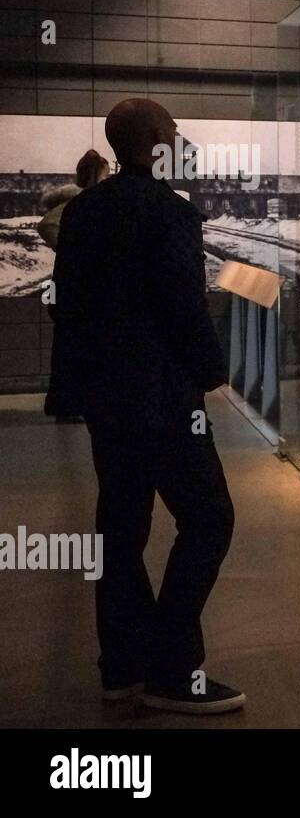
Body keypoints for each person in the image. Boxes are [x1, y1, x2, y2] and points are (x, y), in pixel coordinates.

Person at [45, 98, 244, 715]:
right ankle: (172, 665)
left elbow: (66, 306)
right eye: (175, 133)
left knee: (122, 529)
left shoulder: (84, 212)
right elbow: (185, 312)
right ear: (153, 141)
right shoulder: (170, 215)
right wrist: (214, 374)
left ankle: (123, 665)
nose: (181, 142)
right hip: (162, 400)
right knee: (209, 519)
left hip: (108, 400)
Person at [36, 149, 110, 250]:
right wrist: (70, 251)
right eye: (104, 176)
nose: (106, 180)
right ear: (93, 176)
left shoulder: (92, 199)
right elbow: (47, 225)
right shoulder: (80, 199)